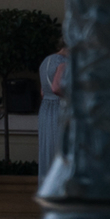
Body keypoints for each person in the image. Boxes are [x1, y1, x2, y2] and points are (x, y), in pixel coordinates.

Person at [36, 36, 68, 173]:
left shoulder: (46, 61)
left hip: (45, 109)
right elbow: (56, 87)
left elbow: (43, 92)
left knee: (47, 149)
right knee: (60, 150)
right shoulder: (64, 62)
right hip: (59, 109)